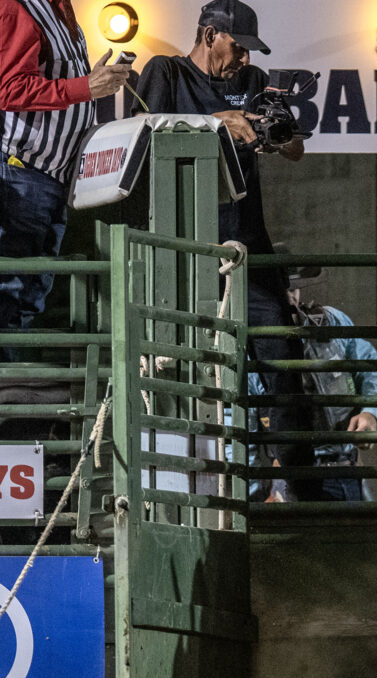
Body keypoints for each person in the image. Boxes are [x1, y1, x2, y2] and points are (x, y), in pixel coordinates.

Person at [136, 0, 319, 498]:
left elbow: (296, 148)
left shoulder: (254, 80)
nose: (243, 58)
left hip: (245, 243)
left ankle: (299, 489)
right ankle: (189, 489)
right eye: (237, 47)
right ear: (209, 35)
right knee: (186, 366)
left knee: (283, 357)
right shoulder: (166, 71)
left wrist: (275, 136)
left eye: (248, 50)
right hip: (183, 245)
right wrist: (220, 121)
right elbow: (142, 137)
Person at [0, 0, 130, 361]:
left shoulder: (60, 10)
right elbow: (10, 90)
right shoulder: (17, 6)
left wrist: (89, 84)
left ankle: (12, 390)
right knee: (12, 295)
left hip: (49, 179)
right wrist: (86, 86)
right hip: (22, 174)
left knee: (28, 297)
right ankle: (8, 389)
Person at [245, 270, 377, 502]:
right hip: (290, 477)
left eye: (293, 288)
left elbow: (368, 364)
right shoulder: (253, 346)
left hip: (343, 468)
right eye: (280, 290)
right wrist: (254, 495)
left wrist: (370, 412)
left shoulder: (330, 321)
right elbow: (244, 428)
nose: (289, 296)